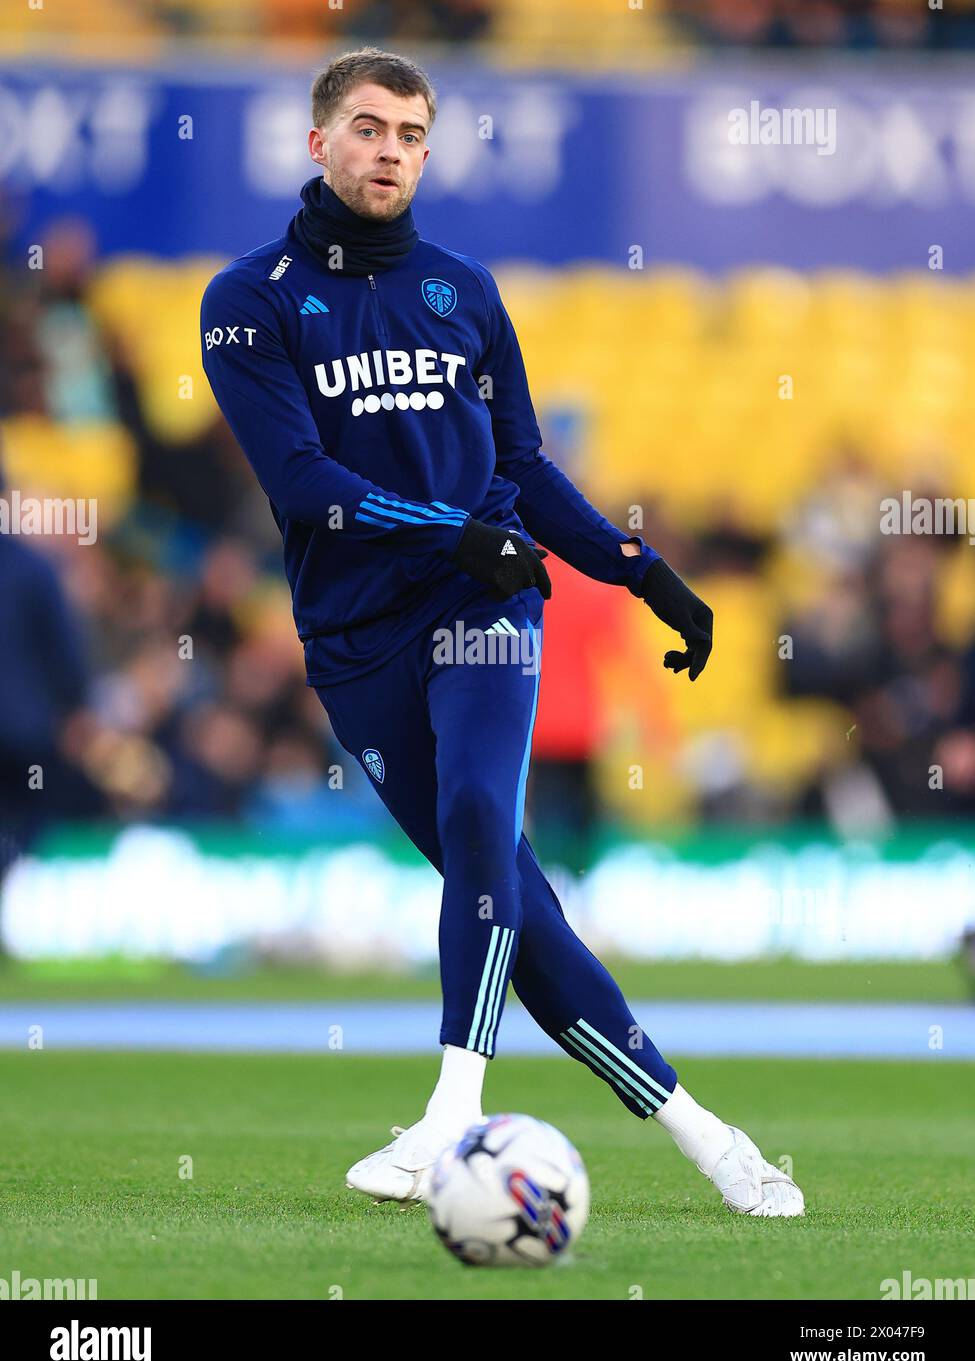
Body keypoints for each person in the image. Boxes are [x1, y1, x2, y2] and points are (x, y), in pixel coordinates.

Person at [200, 47, 803, 1217]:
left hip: (488, 601)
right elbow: (302, 481)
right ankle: (709, 1134)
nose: (390, 152)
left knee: (485, 813)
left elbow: (522, 464)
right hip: (358, 634)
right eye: (369, 129)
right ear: (318, 142)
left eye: (412, 135)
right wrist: (451, 529)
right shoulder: (251, 299)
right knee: (512, 896)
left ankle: (450, 1114)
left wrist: (639, 571)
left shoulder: (463, 288)